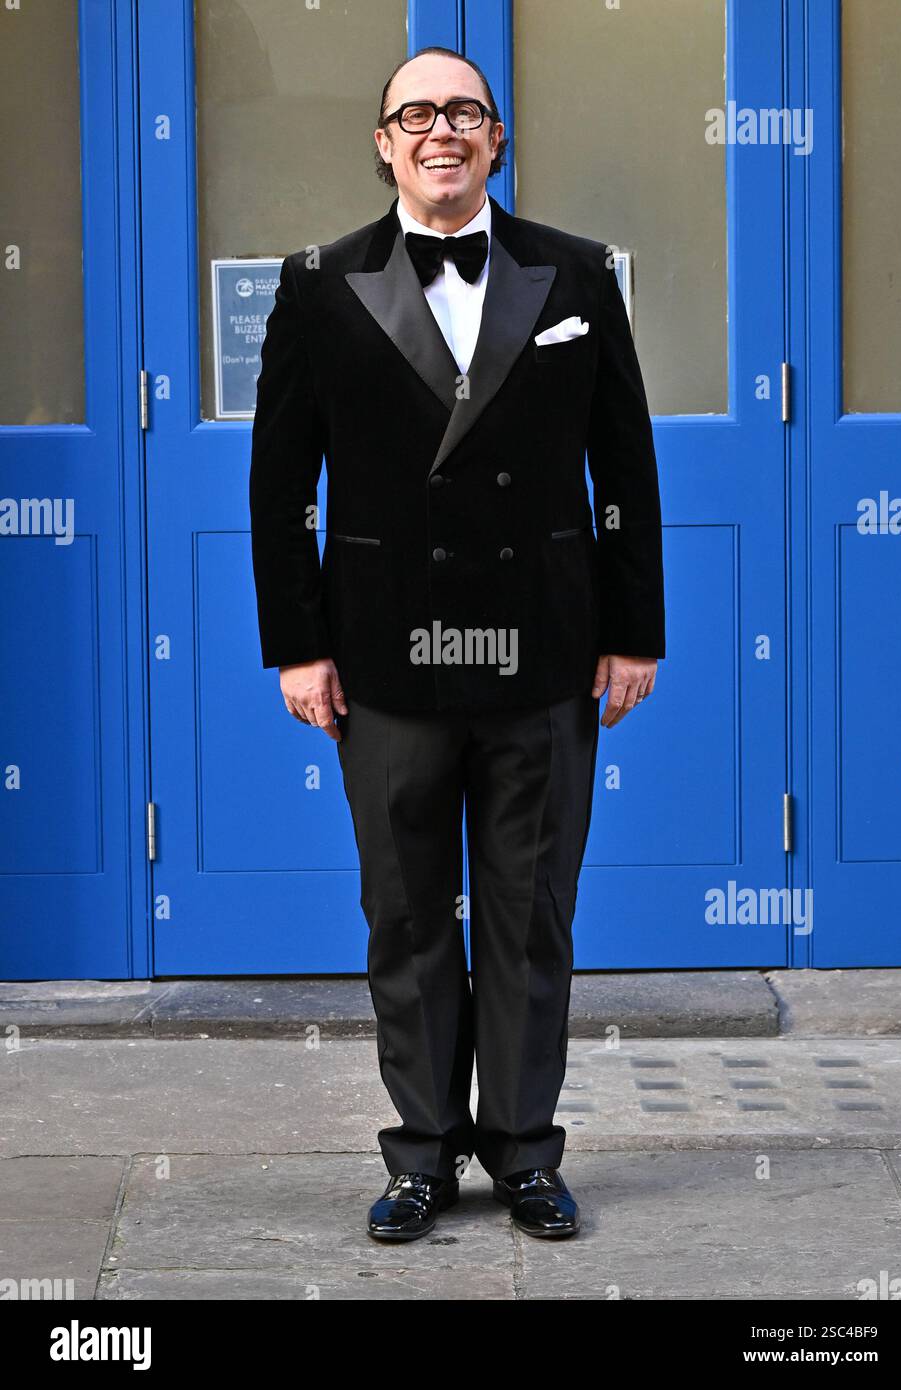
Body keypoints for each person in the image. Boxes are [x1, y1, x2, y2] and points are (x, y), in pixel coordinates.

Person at [249, 46, 665, 1242]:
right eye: (416, 113)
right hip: (384, 663)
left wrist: (633, 629)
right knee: (408, 914)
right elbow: (281, 489)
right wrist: (299, 647)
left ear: (497, 138)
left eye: (465, 112)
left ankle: (526, 1152)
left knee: (531, 913)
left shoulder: (575, 274)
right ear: (384, 142)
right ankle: (422, 1154)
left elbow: (623, 466)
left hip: (544, 655)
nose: (442, 130)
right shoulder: (317, 283)